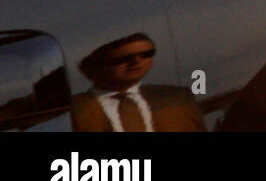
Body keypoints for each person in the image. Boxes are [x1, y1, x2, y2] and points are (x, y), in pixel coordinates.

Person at [71, 33, 206, 132]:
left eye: (146, 54)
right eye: (124, 58)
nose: (137, 61)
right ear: (96, 66)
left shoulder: (177, 97)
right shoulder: (72, 111)